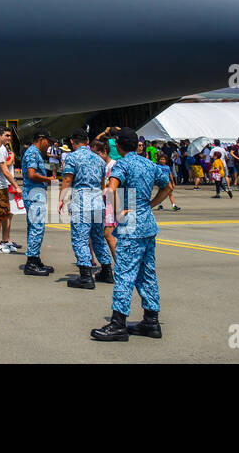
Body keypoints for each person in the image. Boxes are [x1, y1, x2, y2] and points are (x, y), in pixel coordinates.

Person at [91, 128, 173, 341]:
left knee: (125, 274)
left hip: (131, 224)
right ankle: (151, 320)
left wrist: (118, 212)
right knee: (147, 273)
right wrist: (150, 205)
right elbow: (168, 187)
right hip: (147, 222)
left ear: (118, 147)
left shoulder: (123, 164)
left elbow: (111, 189)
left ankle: (118, 322)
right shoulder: (149, 164)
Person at [60, 130, 114, 288]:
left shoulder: (72, 157)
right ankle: (106, 271)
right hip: (98, 202)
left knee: (80, 239)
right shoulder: (98, 159)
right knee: (98, 238)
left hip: (82, 202)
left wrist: (61, 199)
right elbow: (102, 182)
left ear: (72, 141)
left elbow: (68, 179)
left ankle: (85, 276)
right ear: (87, 140)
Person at [21, 130, 56, 275]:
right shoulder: (33, 153)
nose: (49, 144)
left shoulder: (34, 153)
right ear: (41, 139)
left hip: (35, 194)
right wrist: (48, 180)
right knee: (37, 228)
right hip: (34, 195)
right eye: (47, 141)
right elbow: (31, 174)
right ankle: (31, 263)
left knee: (34, 228)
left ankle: (35, 259)